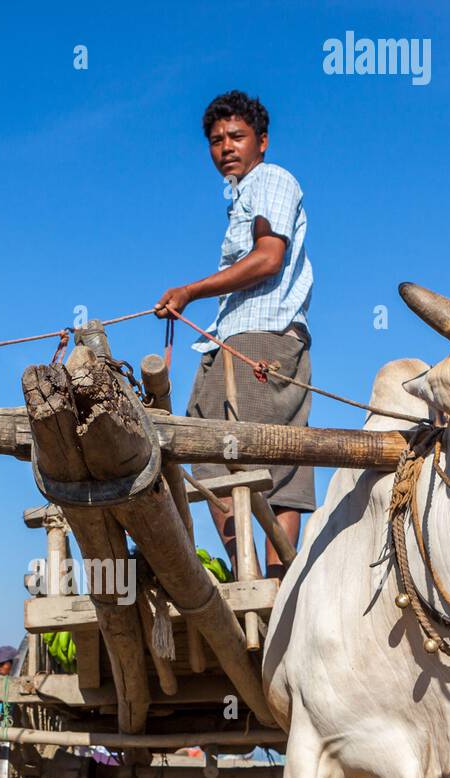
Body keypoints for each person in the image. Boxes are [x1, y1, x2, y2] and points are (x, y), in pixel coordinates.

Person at [156, 89, 315, 579]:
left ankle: (276, 584)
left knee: (269, 466)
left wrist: (190, 291)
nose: (225, 146)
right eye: (216, 139)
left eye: (237, 136)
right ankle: (246, 575)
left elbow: (268, 259)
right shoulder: (244, 193)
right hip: (227, 340)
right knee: (210, 466)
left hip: (260, 343)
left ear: (262, 142)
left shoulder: (270, 179)